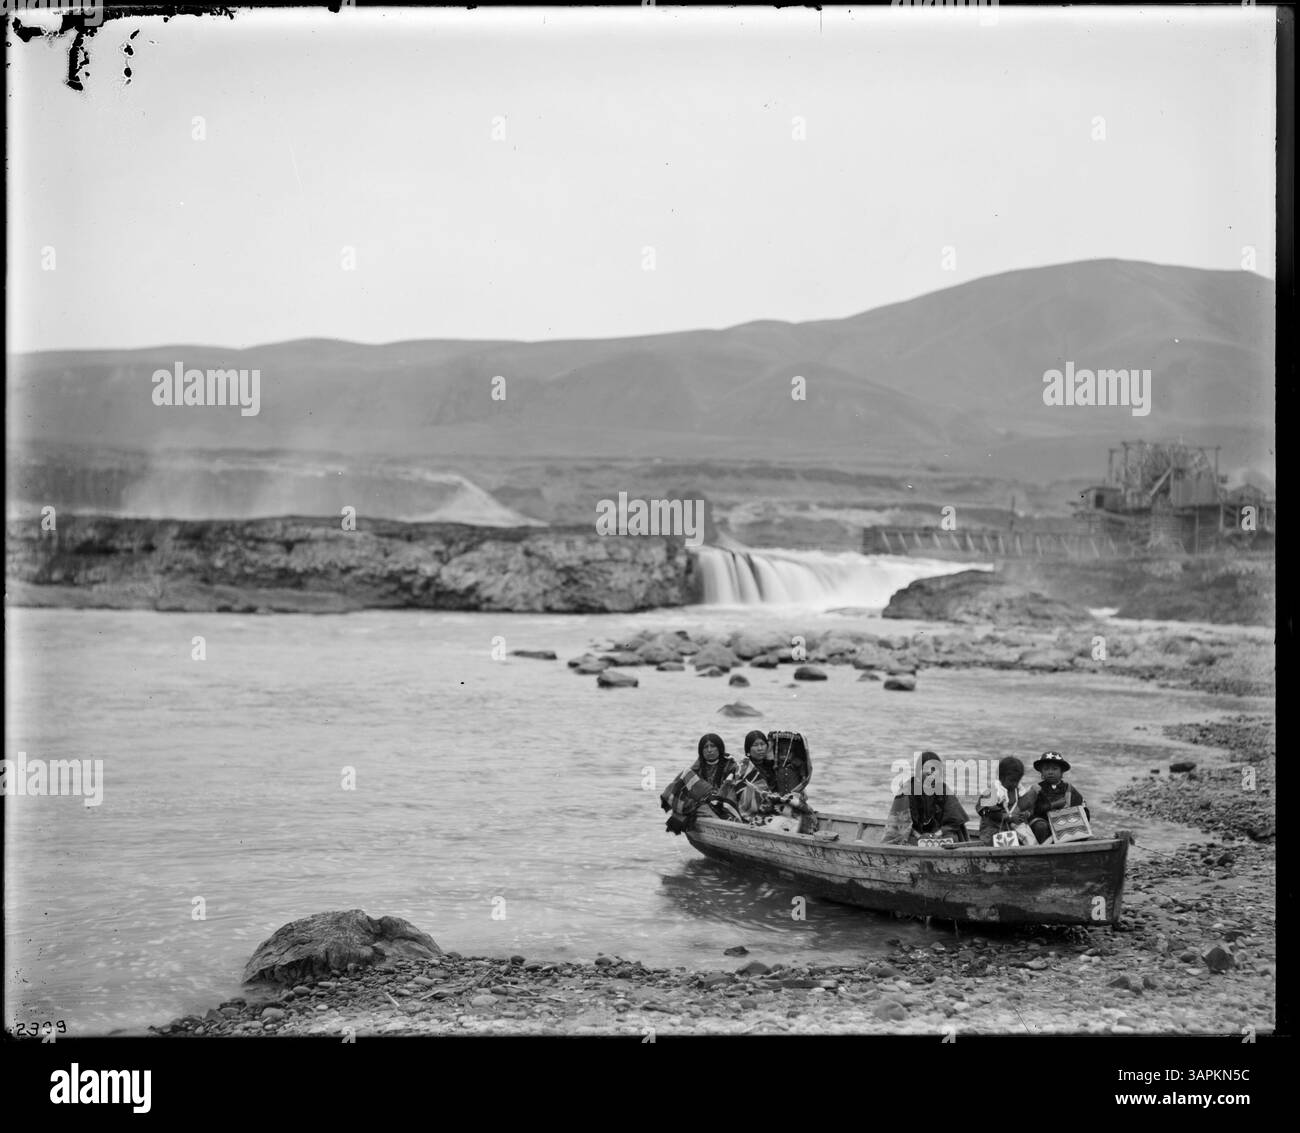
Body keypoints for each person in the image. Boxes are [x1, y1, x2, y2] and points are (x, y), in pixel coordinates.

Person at [882, 751, 970, 845]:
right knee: (908, 842)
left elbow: (954, 820)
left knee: (953, 838)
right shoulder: (907, 790)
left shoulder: (943, 789)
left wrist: (936, 835)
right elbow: (901, 824)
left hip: (938, 834)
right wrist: (920, 837)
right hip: (912, 834)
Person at [660, 733, 740, 831]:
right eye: (706, 747)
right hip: (702, 804)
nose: (709, 750)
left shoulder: (731, 766)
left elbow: (733, 791)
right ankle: (698, 809)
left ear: (720, 748)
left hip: (724, 803)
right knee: (686, 775)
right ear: (701, 751)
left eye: (713, 746)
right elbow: (678, 791)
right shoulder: (695, 769)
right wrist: (694, 807)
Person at [1013, 751, 1089, 844]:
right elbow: (1033, 809)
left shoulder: (1069, 788)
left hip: (1063, 823)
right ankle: (1043, 850)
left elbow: (1081, 808)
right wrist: (1054, 805)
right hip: (1042, 821)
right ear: (1041, 772)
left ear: (1062, 772)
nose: (1050, 772)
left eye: (1054, 769)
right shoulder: (1036, 788)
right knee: (1040, 826)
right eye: (1046, 769)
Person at [975, 756, 1027, 845]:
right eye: (1011, 780)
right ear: (1001, 777)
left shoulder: (1018, 790)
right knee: (991, 840)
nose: (1014, 784)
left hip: (1010, 829)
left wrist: (1024, 814)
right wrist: (1009, 817)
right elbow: (987, 811)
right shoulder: (992, 791)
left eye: (1017, 781)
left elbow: (1022, 807)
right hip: (992, 830)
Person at [735, 730, 778, 817]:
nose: (760, 748)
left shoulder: (772, 766)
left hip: (775, 805)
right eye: (755, 745)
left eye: (762, 744)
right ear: (748, 749)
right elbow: (743, 796)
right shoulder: (744, 768)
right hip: (751, 810)